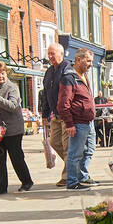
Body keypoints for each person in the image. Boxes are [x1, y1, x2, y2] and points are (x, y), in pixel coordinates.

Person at [0, 62, 33, 196]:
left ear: (6, 73)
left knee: (16, 157)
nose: (0, 76)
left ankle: (27, 181)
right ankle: (0, 187)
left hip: (12, 129)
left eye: (3, 73)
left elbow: (13, 106)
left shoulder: (12, 88)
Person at [59, 48, 98, 189]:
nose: (90, 64)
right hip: (78, 122)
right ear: (78, 60)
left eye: (91, 61)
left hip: (88, 121)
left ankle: (83, 176)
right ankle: (72, 182)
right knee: (75, 153)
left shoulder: (83, 76)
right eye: (88, 61)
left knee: (89, 150)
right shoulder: (69, 78)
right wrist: (69, 124)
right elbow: (63, 104)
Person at [40, 41, 69, 186]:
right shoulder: (49, 71)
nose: (50, 56)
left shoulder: (67, 69)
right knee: (54, 142)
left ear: (61, 54)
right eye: (49, 54)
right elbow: (45, 94)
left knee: (67, 145)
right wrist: (45, 114)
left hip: (67, 114)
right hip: (55, 115)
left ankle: (67, 176)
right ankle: (75, 165)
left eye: (53, 53)